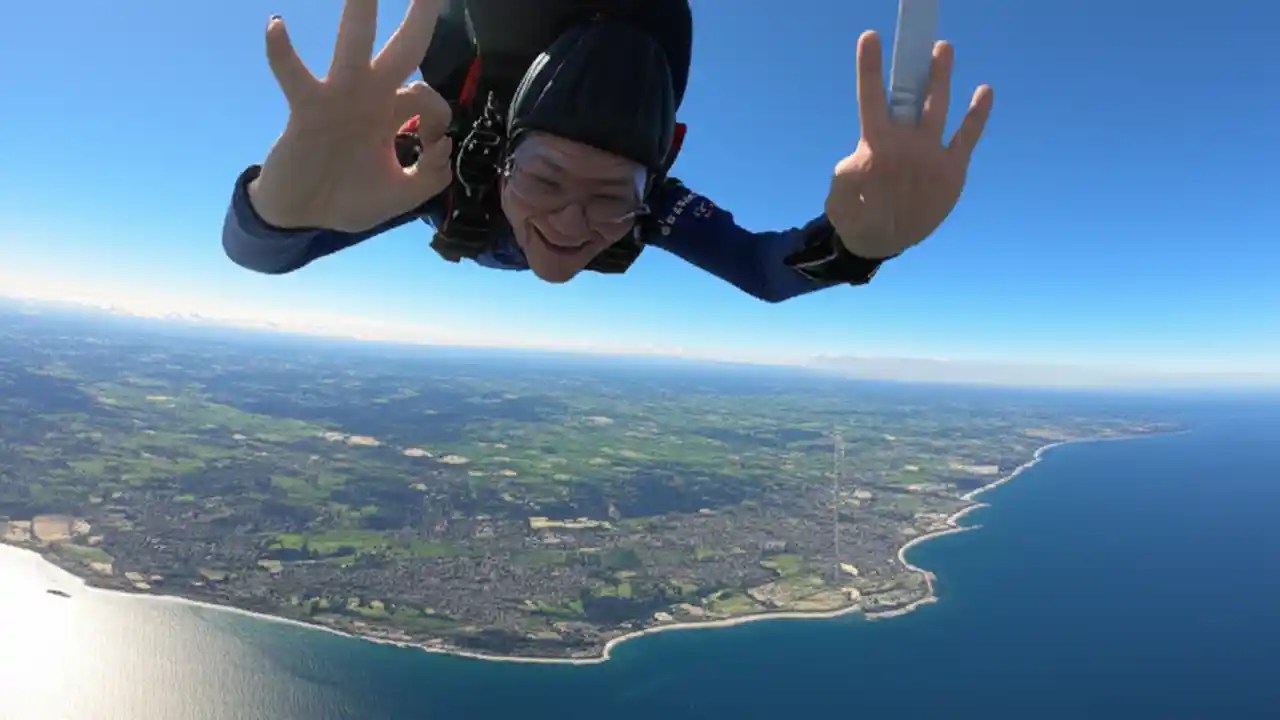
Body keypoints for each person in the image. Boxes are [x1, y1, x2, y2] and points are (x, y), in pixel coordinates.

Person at [222, 0, 993, 303]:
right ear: (499, 155)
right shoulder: (439, 165)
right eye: (546, 178)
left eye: (611, 197)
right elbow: (258, 253)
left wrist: (857, 248)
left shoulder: (644, 208)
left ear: (648, 193)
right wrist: (280, 202)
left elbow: (764, 269)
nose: (571, 222)